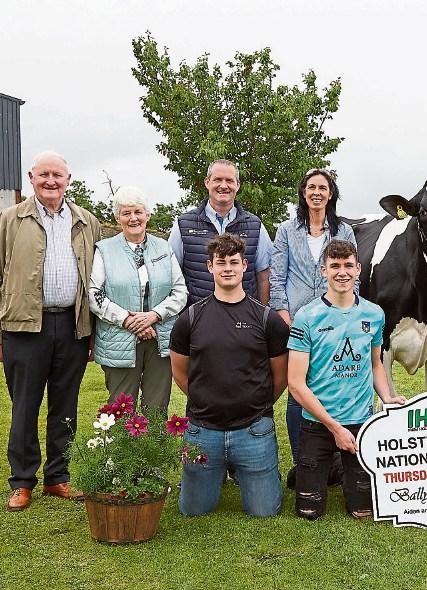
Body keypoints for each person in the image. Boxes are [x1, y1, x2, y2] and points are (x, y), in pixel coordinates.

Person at [2, 151, 101, 511]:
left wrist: (91, 331)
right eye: (43, 174)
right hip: (25, 325)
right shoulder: (11, 220)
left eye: (57, 175)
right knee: (25, 405)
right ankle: (22, 481)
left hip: (72, 325)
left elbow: (95, 276)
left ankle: (58, 477)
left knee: (66, 405)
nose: (50, 181)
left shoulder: (86, 221)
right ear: (31, 177)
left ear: (68, 180)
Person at [169, 233, 289, 517]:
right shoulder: (190, 318)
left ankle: (257, 470)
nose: (227, 268)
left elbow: (280, 376)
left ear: (245, 266)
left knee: (263, 512)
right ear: (210, 266)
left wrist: (255, 404)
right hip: (203, 430)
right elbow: (180, 371)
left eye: (234, 262)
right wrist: (206, 399)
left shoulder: (267, 319)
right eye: (220, 262)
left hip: (254, 431)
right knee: (193, 511)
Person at [288, 239, 404, 520]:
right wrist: (334, 428)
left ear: (358, 269)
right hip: (318, 421)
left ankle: (342, 467)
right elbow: (296, 384)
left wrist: (387, 397)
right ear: (323, 271)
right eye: (335, 266)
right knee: (309, 511)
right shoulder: (306, 316)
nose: (342, 272)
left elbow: (375, 364)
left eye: (348, 266)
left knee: (363, 510)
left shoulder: (374, 314)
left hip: (359, 420)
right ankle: (321, 465)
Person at [270, 168, 358, 486]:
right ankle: (302, 461)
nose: (317, 192)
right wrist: (283, 314)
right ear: (303, 193)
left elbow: (352, 275)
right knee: (298, 391)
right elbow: (277, 276)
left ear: (330, 194)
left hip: (334, 321)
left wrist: (347, 316)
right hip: (296, 320)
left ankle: (335, 459)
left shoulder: (344, 231)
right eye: (311, 187)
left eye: (323, 187)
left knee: (332, 385)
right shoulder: (286, 231)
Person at [89, 186, 187, 412]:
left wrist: (154, 316)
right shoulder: (104, 250)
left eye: (138, 212)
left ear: (147, 215)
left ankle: (154, 439)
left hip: (159, 338)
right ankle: (120, 440)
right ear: (118, 217)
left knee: (156, 409)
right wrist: (128, 320)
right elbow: (94, 294)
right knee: (120, 410)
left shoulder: (163, 247)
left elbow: (180, 291)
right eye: (126, 213)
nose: (133, 218)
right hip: (119, 340)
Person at [169, 159, 273, 305]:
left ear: (237, 185)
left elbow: (264, 275)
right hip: (197, 314)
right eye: (217, 179)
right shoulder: (183, 224)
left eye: (229, 180)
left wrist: (262, 313)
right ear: (207, 182)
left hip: (244, 314)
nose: (223, 186)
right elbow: (171, 274)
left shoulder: (255, 226)